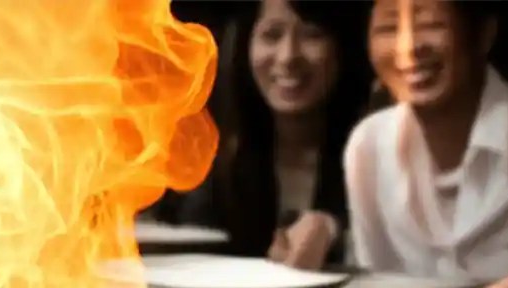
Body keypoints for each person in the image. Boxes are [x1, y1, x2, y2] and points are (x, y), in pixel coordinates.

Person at [151, 0, 370, 268]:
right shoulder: (211, 157)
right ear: (245, 45)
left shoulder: (374, 148)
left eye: (312, 34)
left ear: (342, 47)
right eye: (272, 35)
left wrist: (334, 232)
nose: (288, 56)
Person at [344, 0, 508, 284]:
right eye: (388, 28)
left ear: (484, 34)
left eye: (431, 25)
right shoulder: (369, 147)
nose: (409, 47)